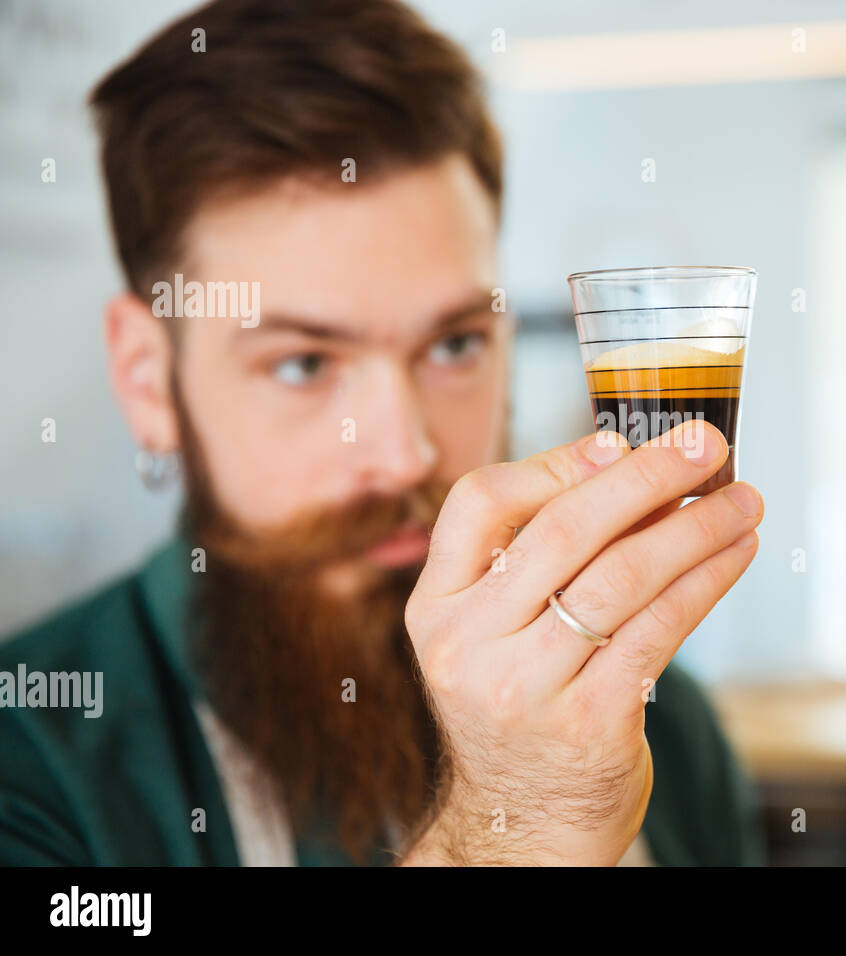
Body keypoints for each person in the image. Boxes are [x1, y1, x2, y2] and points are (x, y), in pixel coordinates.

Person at [0, 0, 766, 866]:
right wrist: (506, 837)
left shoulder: (652, 723)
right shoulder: (29, 763)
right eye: (304, 364)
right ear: (149, 382)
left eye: (454, 345)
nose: (406, 454)